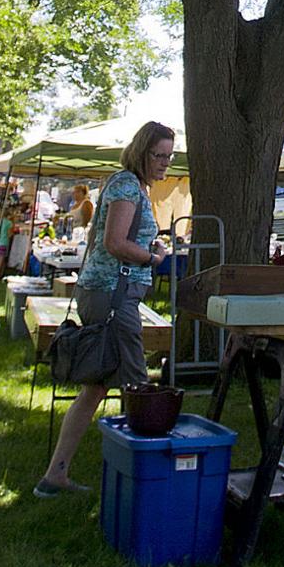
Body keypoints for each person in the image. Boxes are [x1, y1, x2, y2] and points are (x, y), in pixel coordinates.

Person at [34, 121, 174, 499]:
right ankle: (145, 486)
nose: (165, 162)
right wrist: (153, 257)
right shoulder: (127, 185)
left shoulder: (130, 185)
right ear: (142, 152)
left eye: (169, 155)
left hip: (109, 292)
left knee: (96, 386)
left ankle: (55, 475)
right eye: (159, 155)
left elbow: (106, 238)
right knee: (139, 389)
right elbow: (114, 243)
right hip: (112, 296)